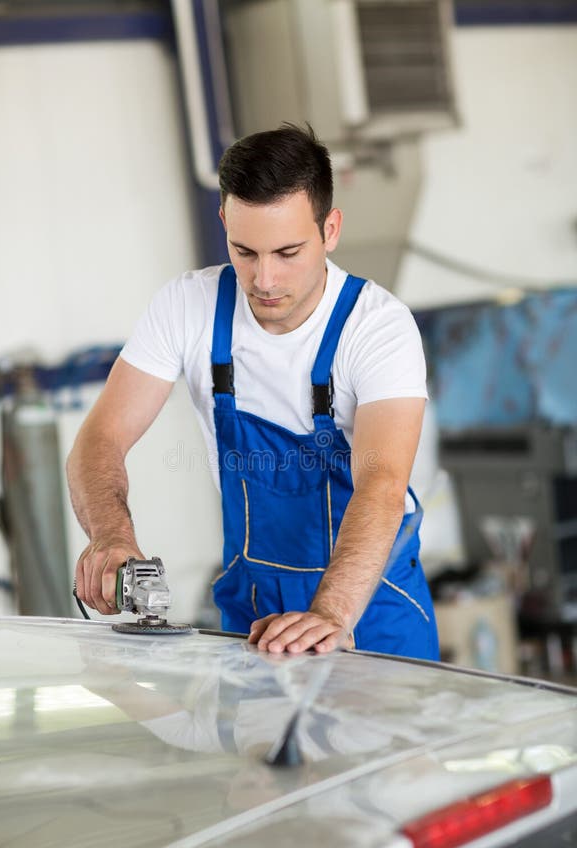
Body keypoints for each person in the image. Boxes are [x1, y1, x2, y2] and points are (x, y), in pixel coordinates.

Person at [67, 123, 439, 660]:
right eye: (245, 251)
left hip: (371, 608)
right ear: (223, 222)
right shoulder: (188, 307)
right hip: (252, 615)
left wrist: (331, 614)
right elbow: (99, 437)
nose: (264, 279)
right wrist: (110, 535)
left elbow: (381, 482)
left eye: (288, 252)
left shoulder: (377, 327)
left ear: (330, 229)